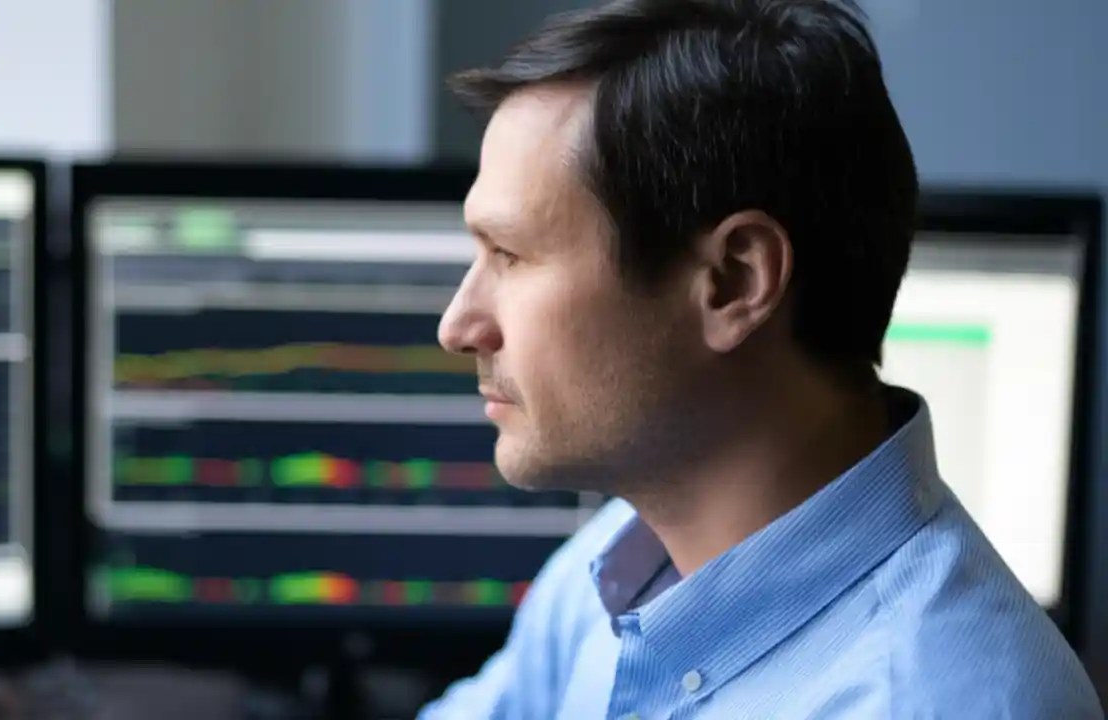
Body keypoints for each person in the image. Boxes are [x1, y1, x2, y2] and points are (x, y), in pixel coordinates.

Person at [419, 0, 1104, 718]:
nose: (458, 325)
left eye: (510, 255)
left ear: (735, 282)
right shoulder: (613, 574)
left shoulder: (931, 700)